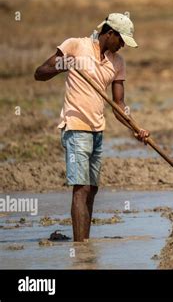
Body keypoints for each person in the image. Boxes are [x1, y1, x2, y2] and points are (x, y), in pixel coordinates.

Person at [34, 13, 150, 242]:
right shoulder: (75, 46)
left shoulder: (117, 62)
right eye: (121, 40)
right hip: (76, 127)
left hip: (98, 130)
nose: (123, 45)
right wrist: (63, 65)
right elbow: (39, 73)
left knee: (92, 189)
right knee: (82, 187)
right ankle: (80, 249)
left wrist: (135, 127)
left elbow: (119, 104)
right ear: (110, 33)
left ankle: (84, 243)